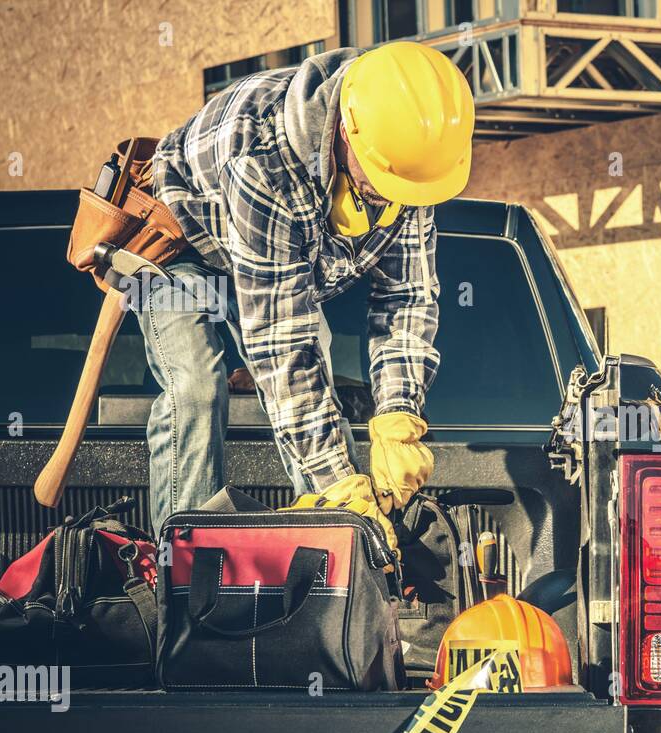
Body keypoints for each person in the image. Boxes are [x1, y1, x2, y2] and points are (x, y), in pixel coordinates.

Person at [142, 41, 475, 548]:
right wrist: (338, 483)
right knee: (195, 387)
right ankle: (183, 566)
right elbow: (282, 344)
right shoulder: (265, 162)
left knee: (317, 377)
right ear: (347, 129)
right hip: (181, 236)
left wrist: (398, 411)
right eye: (384, 184)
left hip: (271, 249)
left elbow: (406, 298)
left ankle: (330, 560)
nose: (397, 199)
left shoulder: (408, 158)